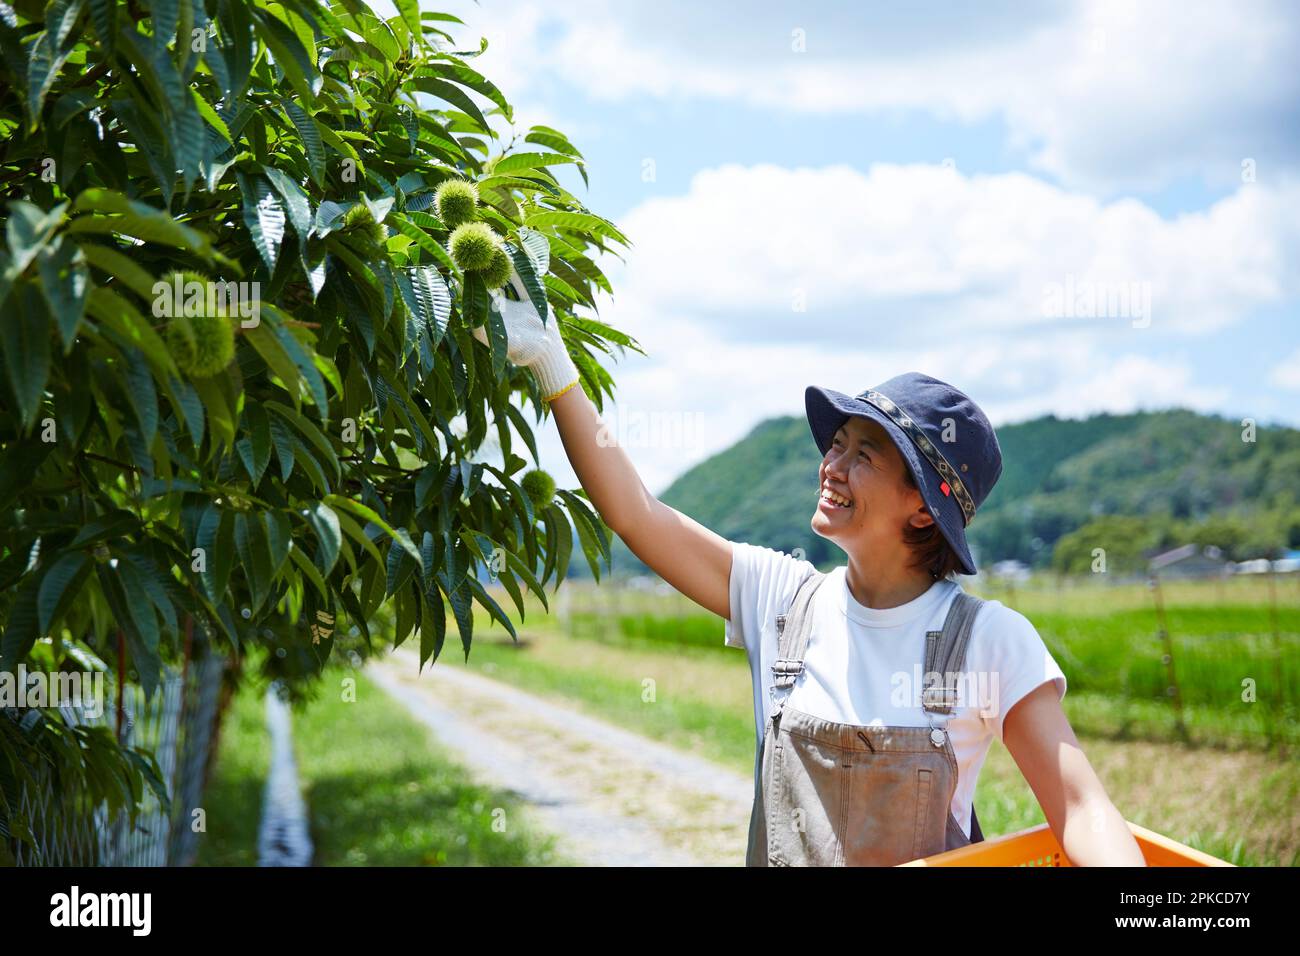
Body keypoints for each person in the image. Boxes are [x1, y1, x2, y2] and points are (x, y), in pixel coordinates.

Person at [475, 267, 1146, 867]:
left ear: (922, 507)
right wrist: (552, 363)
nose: (831, 466)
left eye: (862, 455)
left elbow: (1082, 809)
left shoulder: (990, 641)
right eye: (835, 445)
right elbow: (636, 514)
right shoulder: (782, 601)